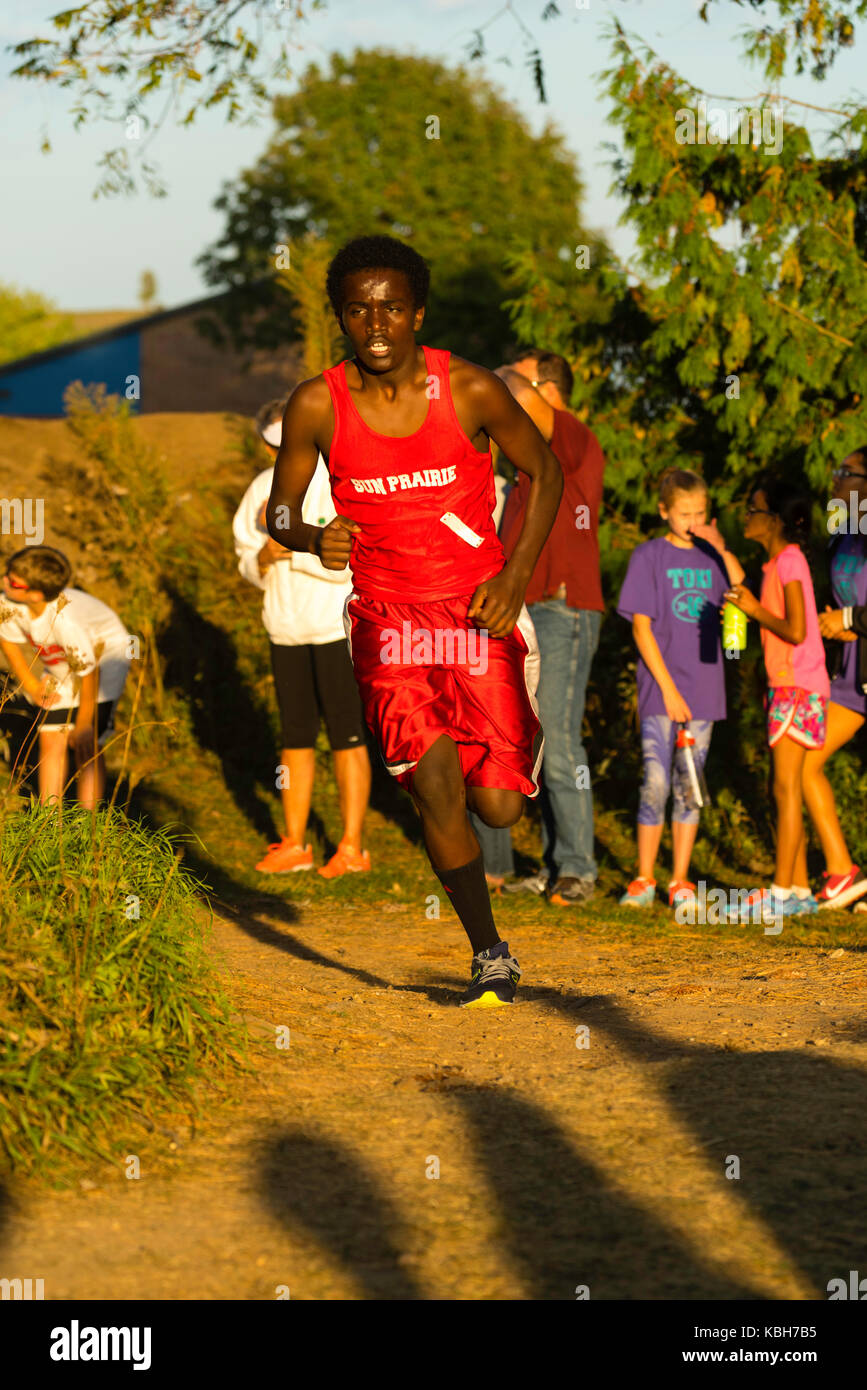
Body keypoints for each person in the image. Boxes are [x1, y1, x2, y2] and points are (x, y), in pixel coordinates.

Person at [266, 235, 563, 1007]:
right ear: (340, 316)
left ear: (416, 313)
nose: (375, 322)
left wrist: (514, 574)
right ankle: (488, 951)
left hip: (473, 613)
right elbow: (280, 510)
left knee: (496, 802)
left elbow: (545, 470)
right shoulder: (315, 403)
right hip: (386, 623)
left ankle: (484, 749)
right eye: (359, 308)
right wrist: (309, 534)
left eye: (391, 307)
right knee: (435, 789)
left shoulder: (468, 390)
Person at [472, 352, 606, 905]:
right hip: (528, 611)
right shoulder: (528, 470)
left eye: (523, 380)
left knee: (560, 738)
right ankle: (555, 865)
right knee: (536, 737)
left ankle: (579, 869)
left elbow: (509, 390)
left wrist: (475, 382)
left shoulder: (572, 437)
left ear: (547, 392)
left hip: (563, 608)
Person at [233, 396, 372, 877]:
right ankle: (294, 842)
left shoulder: (340, 486)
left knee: (347, 737)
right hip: (285, 629)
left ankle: (352, 845)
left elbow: (355, 562)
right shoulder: (259, 490)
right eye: (272, 439)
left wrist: (292, 552)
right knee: (294, 738)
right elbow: (246, 556)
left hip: (335, 627)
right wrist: (263, 560)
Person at [616, 469, 744, 909]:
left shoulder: (713, 557)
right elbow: (641, 628)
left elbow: (742, 590)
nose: (692, 521)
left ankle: (680, 879)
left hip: (706, 688)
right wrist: (668, 689)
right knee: (655, 779)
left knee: (689, 783)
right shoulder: (649, 556)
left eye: (701, 513)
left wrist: (721, 547)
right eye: (683, 513)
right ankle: (644, 876)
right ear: (663, 511)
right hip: (660, 687)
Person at [723, 475, 830, 919]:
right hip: (793, 684)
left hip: (797, 685)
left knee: (785, 788)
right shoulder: (776, 565)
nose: (747, 516)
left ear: (775, 520)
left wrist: (753, 610)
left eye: (754, 509)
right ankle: (800, 889)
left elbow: (798, 629)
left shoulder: (789, 561)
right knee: (784, 788)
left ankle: (782, 890)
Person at [0, 546, 131, 807]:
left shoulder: (65, 620)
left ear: (35, 595)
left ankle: (88, 823)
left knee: (87, 744)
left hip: (104, 662)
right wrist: (32, 685)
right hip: (62, 661)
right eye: (6, 573)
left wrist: (83, 723)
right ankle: (48, 820)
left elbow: (90, 671)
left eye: (12, 581)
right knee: (51, 737)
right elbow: (6, 638)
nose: (4, 580)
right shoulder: (7, 600)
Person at [804, 447, 867, 909]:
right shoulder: (841, 536)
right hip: (850, 675)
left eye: (846, 473)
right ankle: (842, 872)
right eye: (836, 470)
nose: (836, 480)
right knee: (805, 763)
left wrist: (849, 618)